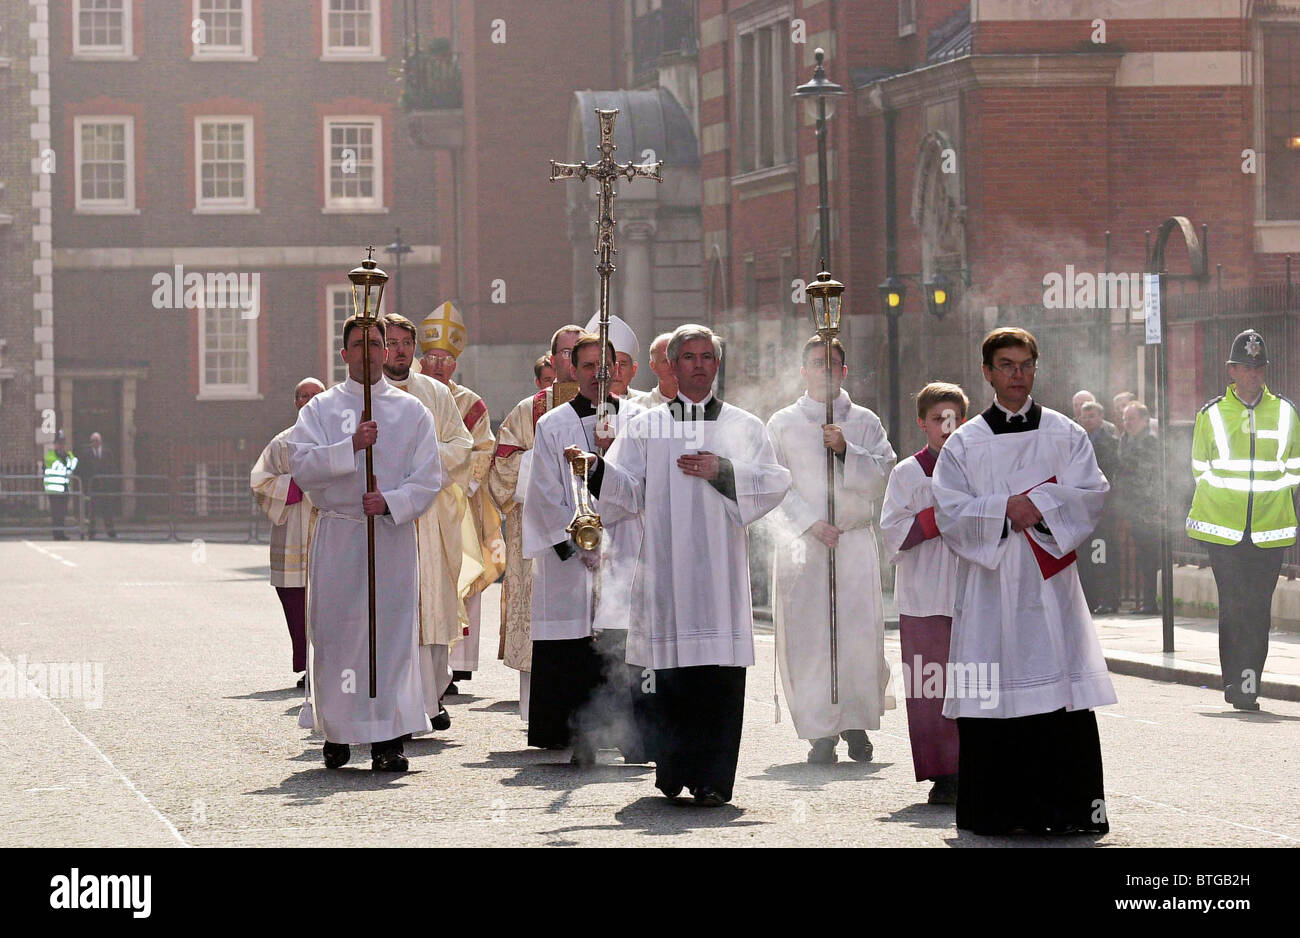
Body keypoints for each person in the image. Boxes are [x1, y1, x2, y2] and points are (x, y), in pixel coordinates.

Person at [578, 324, 791, 806]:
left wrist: (725, 471)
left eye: (706, 357)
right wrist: (596, 469)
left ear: (717, 365)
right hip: (667, 570)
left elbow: (775, 482)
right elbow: (628, 490)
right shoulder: (647, 426)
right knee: (671, 676)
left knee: (717, 677)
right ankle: (674, 771)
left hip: (720, 573)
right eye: (688, 357)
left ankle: (715, 779)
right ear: (671, 366)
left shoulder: (743, 425)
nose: (698, 364)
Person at [932, 327, 1115, 835]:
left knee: (1057, 691)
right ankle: (995, 813)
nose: (1018, 374)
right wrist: (1000, 509)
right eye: (1007, 365)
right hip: (990, 588)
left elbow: (1092, 493)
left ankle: (1068, 812)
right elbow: (948, 512)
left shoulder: (1065, 432)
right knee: (990, 688)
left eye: (1026, 364)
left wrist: (1044, 506)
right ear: (987, 373)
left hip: (1048, 584)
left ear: (1036, 368)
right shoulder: (965, 442)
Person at [286, 315, 444, 772]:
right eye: (360, 344)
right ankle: (337, 730)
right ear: (344, 354)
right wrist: (351, 444)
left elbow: (428, 477)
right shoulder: (320, 409)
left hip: (390, 536)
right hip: (341, 534)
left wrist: (391, 502)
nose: (370, 352)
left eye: (377, 344)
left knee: (389, 634)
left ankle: (387, 736)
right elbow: (302, 465)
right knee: (338, 633)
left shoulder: (413, 411)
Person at [766, 335, 896, 765]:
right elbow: (773, 483)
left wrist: (845, 450)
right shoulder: (782, 422)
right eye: (816, 363)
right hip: (805, 546)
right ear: (804, 371)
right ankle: (820, 731)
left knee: (857, 634)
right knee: (811, 637)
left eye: (833, 364)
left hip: (853, 540)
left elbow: (884, 476)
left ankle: (856, 722)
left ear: (844, 371)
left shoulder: (865, 421)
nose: (825, 370)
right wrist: (809, 523)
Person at [523, 332, 646, 764]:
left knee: (620, 639)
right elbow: (542, 494)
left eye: (605, 366)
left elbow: (644, 488)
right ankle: (579, 734)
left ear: (620, 369)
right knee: (572, 642)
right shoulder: (552, 424)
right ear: (572, 371)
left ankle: (631, 736)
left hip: (626, 545)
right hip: (572, 558)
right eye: (589, 366)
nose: (598, 374)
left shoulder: (640, 419)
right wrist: (578, 540)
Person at [1187, 328, 1300, 712]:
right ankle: (1236, 682)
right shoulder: (1211, 413)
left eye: (1259, 367)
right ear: (1232, 371)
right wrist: (1228, 505)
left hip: (1269, 530)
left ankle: (1250, 682)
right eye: (1246, 367)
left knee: (1258, 609)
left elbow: (1295, 469)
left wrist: (1272, 502)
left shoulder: (1285, 411)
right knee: (1234, 606)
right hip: (1224, 530)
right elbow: (1201, 468)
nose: (1253, 374)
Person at [383, 313, 474, 730]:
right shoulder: (370, 394)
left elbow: (463, 446)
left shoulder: (435, 394)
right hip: (385, 518)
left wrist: (420, 458)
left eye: (407, 342)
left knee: (432, 606)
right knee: (394, 609)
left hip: (432, 517)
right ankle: (392, 704)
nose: (400, 349)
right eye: (392, 342)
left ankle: (430, 698)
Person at [488, 324, 584, 719]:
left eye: (581, 353)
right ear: (553, 358)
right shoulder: (528, 411)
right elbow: (501, 473)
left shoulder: (610, 406)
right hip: (539, 540)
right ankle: (541, 714)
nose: (573, 361)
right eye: (565, 353)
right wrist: (547, 463)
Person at [879, 382, 968, 805]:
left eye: (953, 419)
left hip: (971, 593)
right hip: (924, 595)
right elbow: (892, 532)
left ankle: (976, 763)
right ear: (922, 423)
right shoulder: (907, 473)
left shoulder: (977, 467)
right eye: (938, 419)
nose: (946, 427)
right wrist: (938, 518)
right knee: (930, 687)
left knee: (973, 681)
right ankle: (943, 772)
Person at [417, 302, 504, 694]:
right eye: (432, 358)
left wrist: (464, 479)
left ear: (455, 364)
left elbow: (484, 448)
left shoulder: (471, 402)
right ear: (421, 359)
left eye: (446, 360)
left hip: (461, 504)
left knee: (460, 576)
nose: (438, 365)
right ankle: (426, 661)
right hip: (421, 503)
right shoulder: (409, 394)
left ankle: (458, 662)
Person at [250, 377, 325, 686]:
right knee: (298, 604)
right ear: (296, 403)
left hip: (328, 530)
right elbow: (259, 481)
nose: (308, 401)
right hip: (292, 530)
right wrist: (295, 485)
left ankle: (330, 666)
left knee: (331, 602)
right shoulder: (281, 442)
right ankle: (308, 665)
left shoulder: (339, 437)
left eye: (315, 396)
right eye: (303, 396)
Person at [1116, 401, 1161, 615]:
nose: (1128, 424)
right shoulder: (1126, 440)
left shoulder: (1150, 442)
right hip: (1133, 506)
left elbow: (1152, 475)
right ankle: (1146, 599)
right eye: (1125, 420)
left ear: (1145, 420)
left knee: (1151, 557)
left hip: (1149, 509)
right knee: (1142, 556)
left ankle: (1150, 601)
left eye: (1132, 419)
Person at [1077, 401, 1119, 614]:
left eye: (1092, 416)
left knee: (1102, 555)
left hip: (1103, 510)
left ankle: (1108, 599)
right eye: (1084, 416)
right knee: (1086, 558)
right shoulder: (1078, 441)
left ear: (1101, 417)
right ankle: (1090, 599)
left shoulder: (1110, 442)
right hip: (1084, 509)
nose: (1087, 420)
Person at [583, 312, 639, 398]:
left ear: (634, 369)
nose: (616, 372)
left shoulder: (647, 406)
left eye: (623, 364)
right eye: (608, 364)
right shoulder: (580, 404)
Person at [80, 432, 119, 539]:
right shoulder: (86, 454)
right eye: (93, 441)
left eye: (97, 441)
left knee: (107, 509)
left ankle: (110, 530)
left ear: (100, 441)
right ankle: (91, 531)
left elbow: (112, 467)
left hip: (105, 486)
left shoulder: (107, 452)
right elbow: (82, 469)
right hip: (92, 486)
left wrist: (111, 481)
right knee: (92, 510)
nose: (95, 443)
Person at [626, 332, 677, 408]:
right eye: (666, 361)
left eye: (678, 359)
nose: (674, 366)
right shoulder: (634, 407)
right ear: (653, 366)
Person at [43, 431, 77, 541]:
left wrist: (66, 457)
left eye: (62, 443)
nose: (60, 445)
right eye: (59, 443)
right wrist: (64, 458)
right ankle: (56, 533)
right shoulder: (50, 455)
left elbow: (73, 464)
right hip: (53, 489)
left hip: (64, 488)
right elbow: (53, 464)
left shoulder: (67, 455)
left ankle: (61, 533)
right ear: (55, 444)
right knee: (55, 513)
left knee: (62, 513)